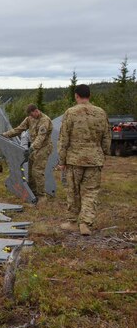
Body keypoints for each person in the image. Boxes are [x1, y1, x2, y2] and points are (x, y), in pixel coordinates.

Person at [57, 84, 111, 236]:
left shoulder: (70, 113)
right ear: (89, 95)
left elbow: (63, 138)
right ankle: (86, 224)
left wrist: (61, 160)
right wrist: (104, 153)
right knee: (90, 192)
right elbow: (107, 137)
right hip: (94, 159)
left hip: (74, 159)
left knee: (73, 191)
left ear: (76, 96)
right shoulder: (101, 113)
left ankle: (73, 222)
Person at [1, 104, 53, 202]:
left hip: (44, 148)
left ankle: (42, 196)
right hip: (34, 148)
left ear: (36, 111)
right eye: (29, 115)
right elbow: (19, 129)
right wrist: (5, 135)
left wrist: (31, 148)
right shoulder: (29, 118)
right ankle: (32, 192)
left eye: (31, 114)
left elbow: (40, 138)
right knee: (30, 171)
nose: (31, 117)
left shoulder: (45, 120)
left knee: (37, 171)